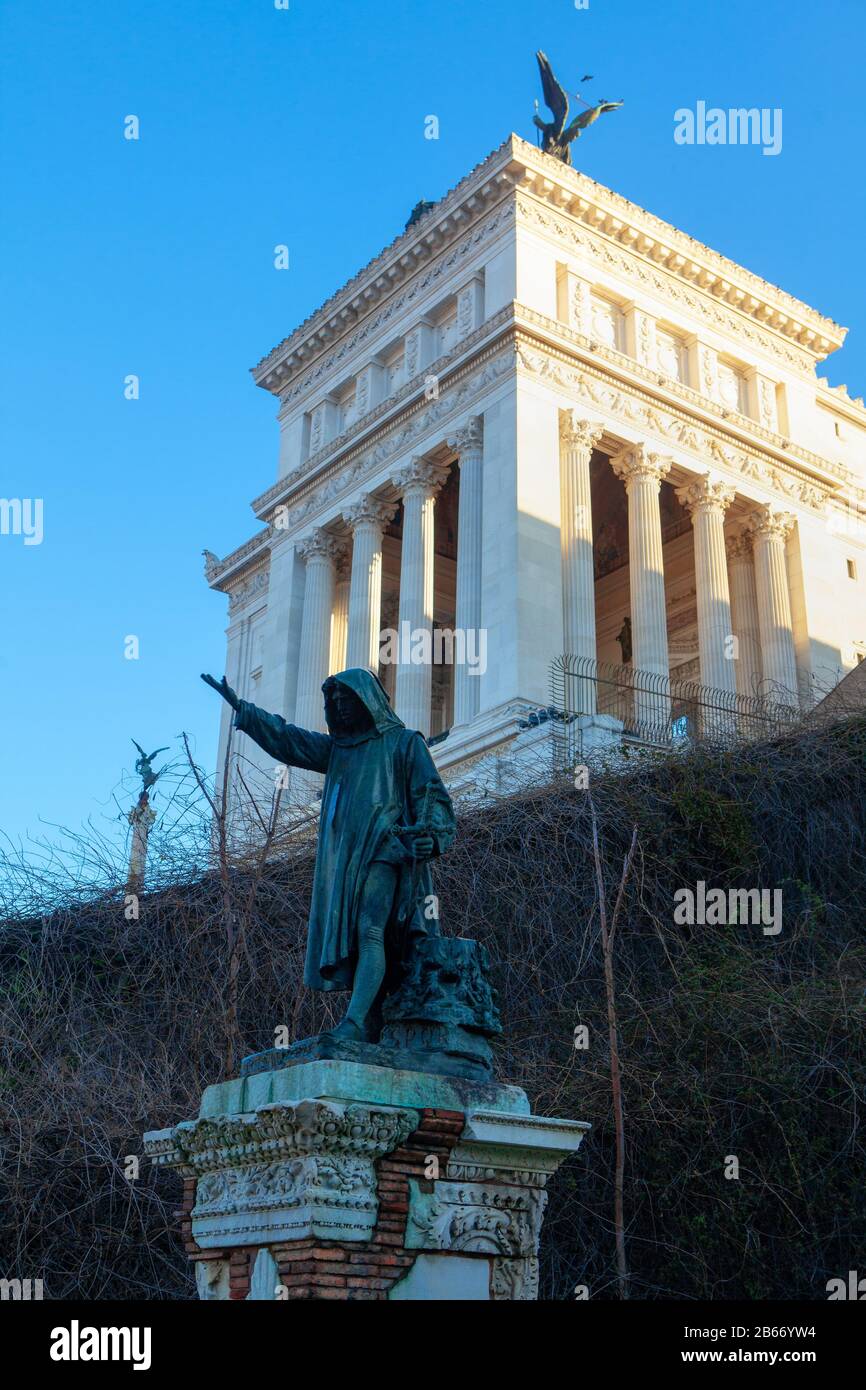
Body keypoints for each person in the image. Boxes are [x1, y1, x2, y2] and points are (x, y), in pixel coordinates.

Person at [201, 666, 456, 1042]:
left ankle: (353, 1023)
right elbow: (290, 741)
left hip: (386, 847)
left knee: (371, 930)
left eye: (345, 699)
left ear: (366, 699)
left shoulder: (404, 743)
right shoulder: (339, 750)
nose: (339, 706)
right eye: (334, 700)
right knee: (360, 937)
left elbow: (431, 796)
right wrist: (245, 710)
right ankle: (369, 1023)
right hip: (344, 859)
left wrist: (432, 837)